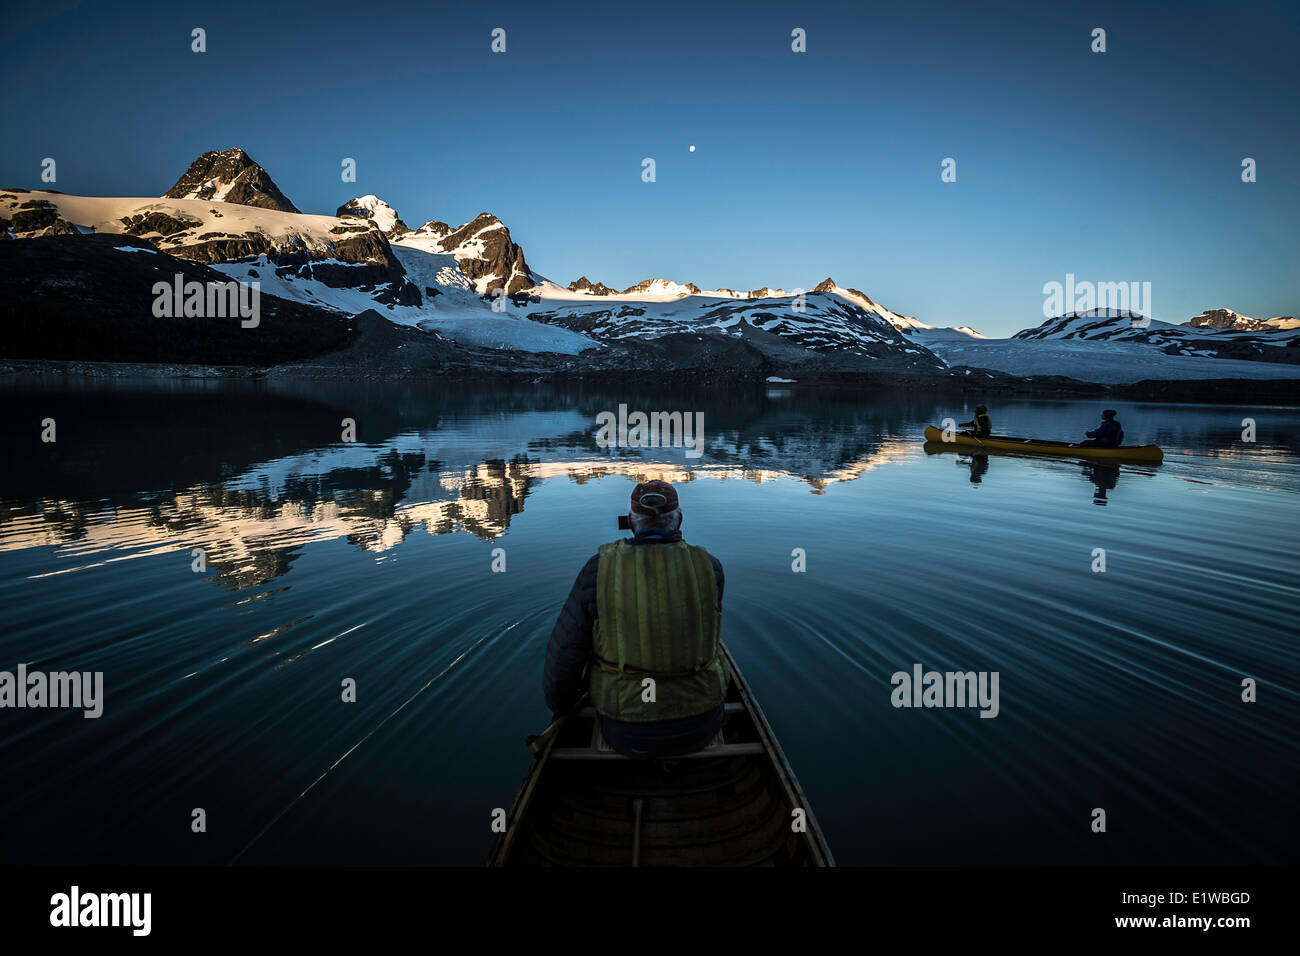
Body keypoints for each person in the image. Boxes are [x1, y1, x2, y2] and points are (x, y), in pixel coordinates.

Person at [543, 480, 727, 758]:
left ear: (630, 521)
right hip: (700, 726)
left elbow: (565, 655)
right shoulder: (709, 567)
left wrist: (563, 706)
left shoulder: (598, 569)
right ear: (678, 520)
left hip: (624, 731)